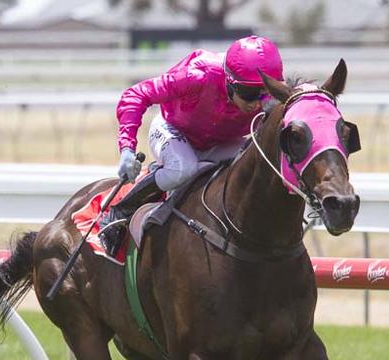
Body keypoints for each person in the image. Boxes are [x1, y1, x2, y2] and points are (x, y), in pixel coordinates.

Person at [98, 35, 284, 256]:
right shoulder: (198, 75)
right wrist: (127, 148)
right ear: (228, 80)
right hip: (173, 130)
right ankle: (121, 209)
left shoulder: (263, 97)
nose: (257, 102)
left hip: (222, 141)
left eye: (266, 93)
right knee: (182, 168)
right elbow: (136, 95)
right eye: (249, 93)